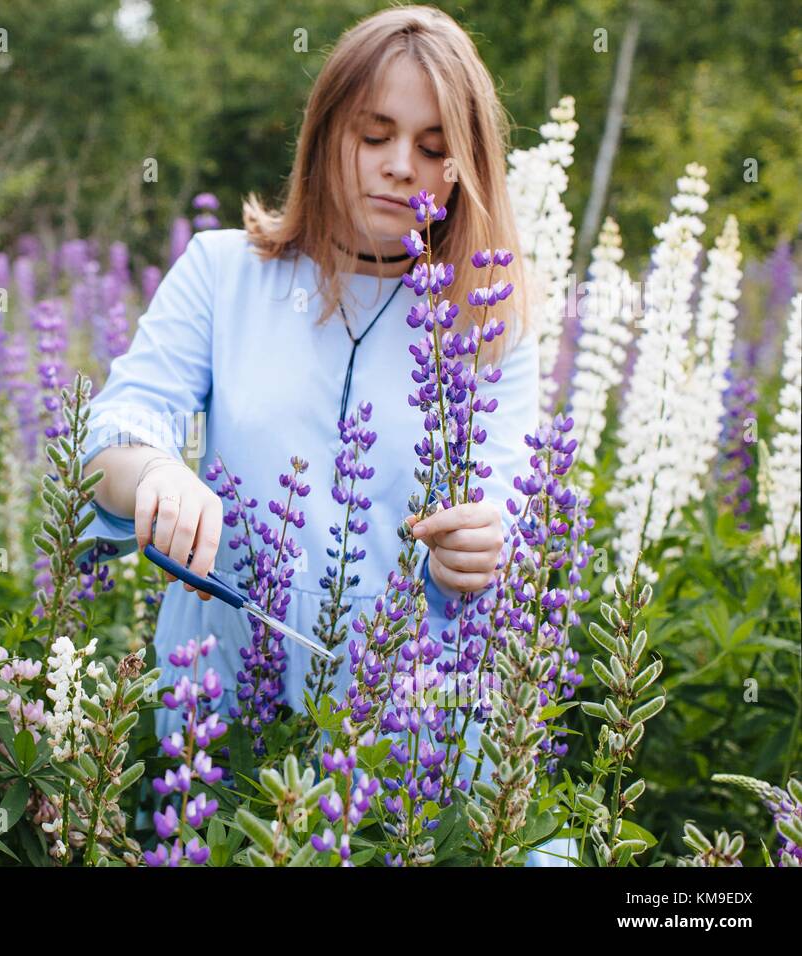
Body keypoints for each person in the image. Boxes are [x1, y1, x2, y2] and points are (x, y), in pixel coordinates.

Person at [76, 5, 575, 866]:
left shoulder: (485, 317)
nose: (398, 167)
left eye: (430, 145)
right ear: (325, 134)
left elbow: (509, 513)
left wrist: (487, 544)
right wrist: (154, 472)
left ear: (466, 167)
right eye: (373, 132)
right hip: (221, 732)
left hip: (413, 759)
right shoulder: (223, 272)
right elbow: (116, 429)